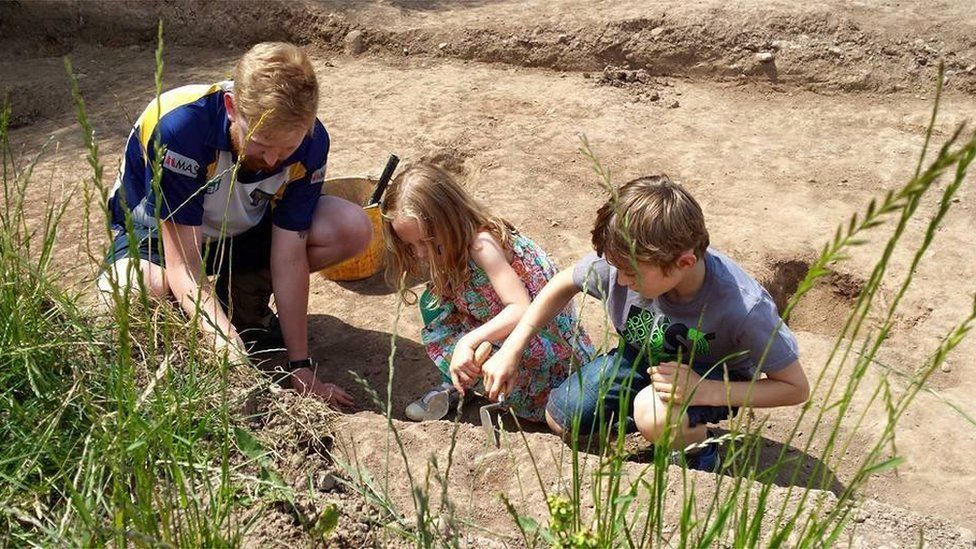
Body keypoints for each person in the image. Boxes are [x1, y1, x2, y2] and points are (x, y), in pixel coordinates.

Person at [98, 42, 372, 407]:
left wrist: (301, 367)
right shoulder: (180, 130)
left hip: (240, 232)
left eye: (287, 148)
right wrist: (227, 348)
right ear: (231, 108)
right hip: (158, 237)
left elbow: (290, 255)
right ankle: (193, 322)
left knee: (351, 226)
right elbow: (185, 265)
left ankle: (244, 300)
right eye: (260, 143)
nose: (273, 160)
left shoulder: (311, 141)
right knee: (134, 292)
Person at [481, 175, 810, 470]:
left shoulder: (743, 306)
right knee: (562, 416)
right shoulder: (626, 261)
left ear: (684, 262)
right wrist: (513, 347)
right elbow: (564, 282)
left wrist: (707, 391)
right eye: (615, 268)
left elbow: (795, 388)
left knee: (653, 413)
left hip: (709, 375)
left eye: (630, 273)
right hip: (638, 357)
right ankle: (648, 422)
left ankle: (699, 454)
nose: (620, 281)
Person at [381, 163, 594, 422]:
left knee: (457, 329)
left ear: (450, 220)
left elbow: (520, 309)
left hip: (540, 340)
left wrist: (467, 342)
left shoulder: (482, 245)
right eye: (410, 245)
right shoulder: (452, 243)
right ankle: (458, 384)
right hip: (496, 317)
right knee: (432, 302)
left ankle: (477, 381)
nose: (420, 253)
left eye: (427, 242)